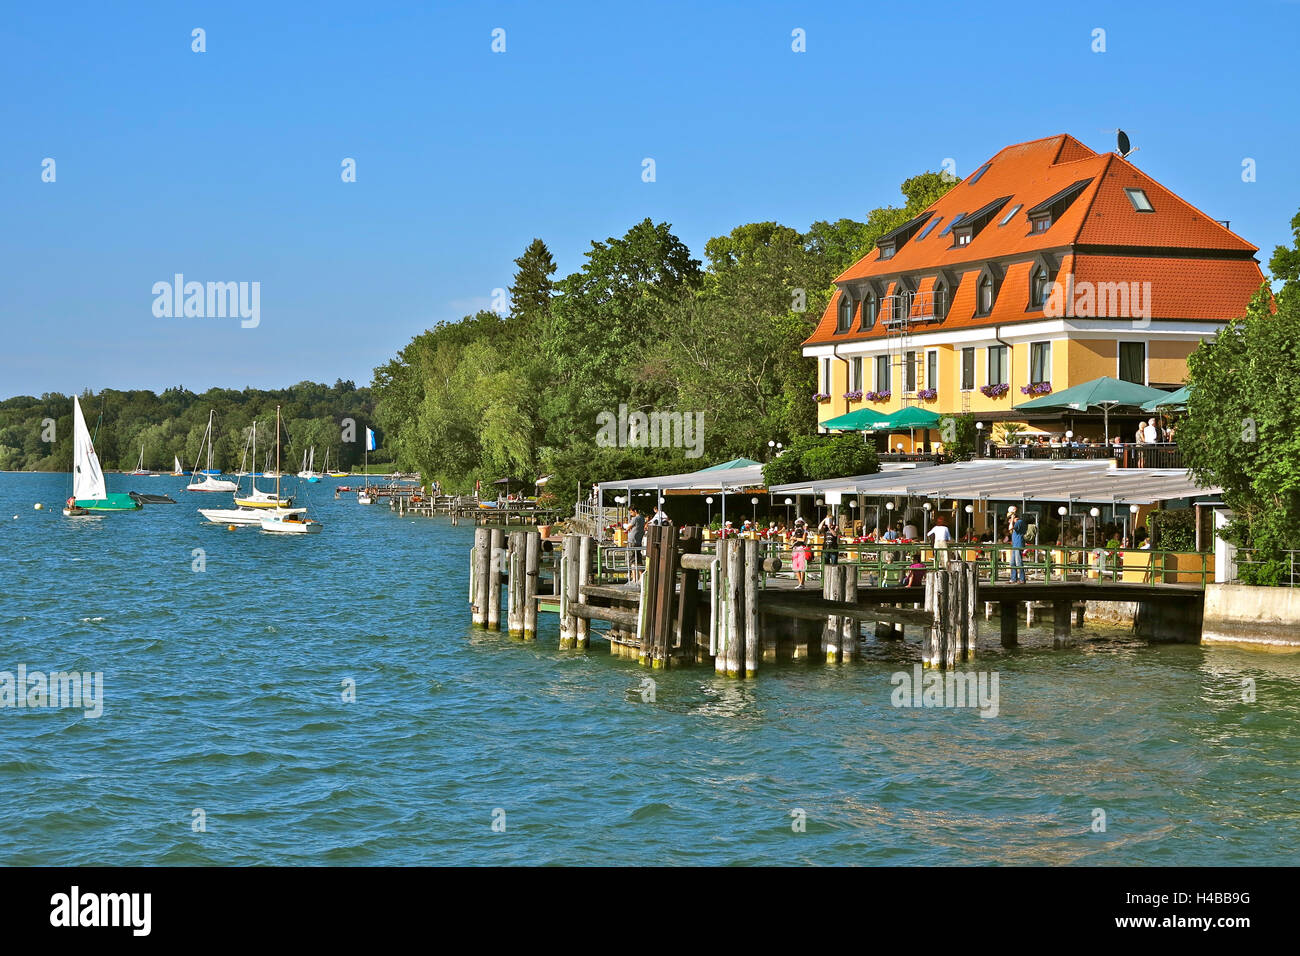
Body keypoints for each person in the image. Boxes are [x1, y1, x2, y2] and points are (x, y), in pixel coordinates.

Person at [790, 518, 810, 588]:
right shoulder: (795, 531)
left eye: (800, 522)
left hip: (801, 548)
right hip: (795, 548)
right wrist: (792, 541)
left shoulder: (804, 531)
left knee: (801, 566)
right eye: (798, 522)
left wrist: (794, 539)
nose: (799, 524)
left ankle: (802, 583)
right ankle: (800, 583)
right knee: (796, 567)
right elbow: (792, 540)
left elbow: (803, 539)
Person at [626, 508, 645, 583]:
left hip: (632, 540)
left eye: (631, 512)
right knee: (638, 558)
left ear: (635, 511)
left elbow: (628, 527)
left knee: (632, 560)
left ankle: (634, 578)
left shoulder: (635, 518)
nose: (631, 514)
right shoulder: (642, 518)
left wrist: (627, 529)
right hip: (638, 540)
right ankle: (641, 577)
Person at [1008, 510, 1027, 583]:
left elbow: (1010, 528)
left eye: (1010, 518)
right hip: (1015, 545)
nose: (1009, 520)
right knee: (1012, 562)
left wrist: (1012, 519)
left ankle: (1022, 579)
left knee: (1019, 562)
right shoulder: (1018, 523)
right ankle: (1013, 578)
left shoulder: (1019, 522)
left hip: (1018, 545)